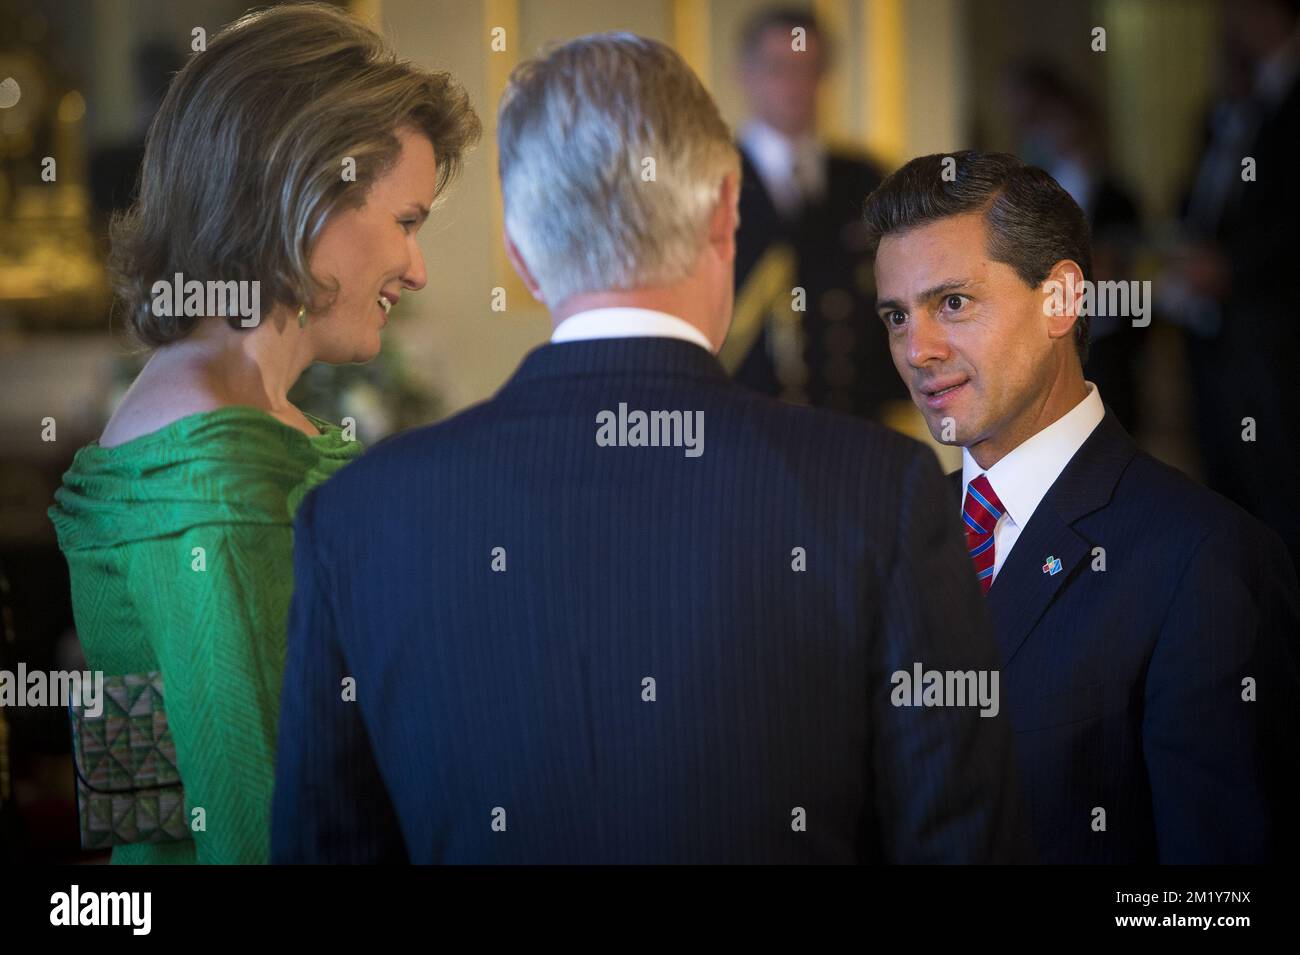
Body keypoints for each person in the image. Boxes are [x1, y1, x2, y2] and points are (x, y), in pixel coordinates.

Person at [271, 33, 1029, 865]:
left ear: (521, 257)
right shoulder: (880, 490)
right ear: (725, 209)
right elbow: (960, 843)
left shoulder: (356, 519)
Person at [48, 2, 479, 863]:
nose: (418, 268)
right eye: (406, 222)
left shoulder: (196, 418)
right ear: (305, 193)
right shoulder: (217, 475)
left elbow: (137, 791)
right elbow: (261, 831)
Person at [864, 150, 1300, 863]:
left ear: (1062, 300)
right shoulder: (891, 545)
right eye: (895, 315)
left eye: (952, 302)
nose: (918, 348)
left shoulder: (1208, 562)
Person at [727, 8, 904, 421]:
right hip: (749, 423)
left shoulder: (865, 179)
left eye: (809, 69)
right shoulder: (713, 180)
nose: (795, 85)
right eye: (778, 68)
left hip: (853, 422)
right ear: (745, 74)